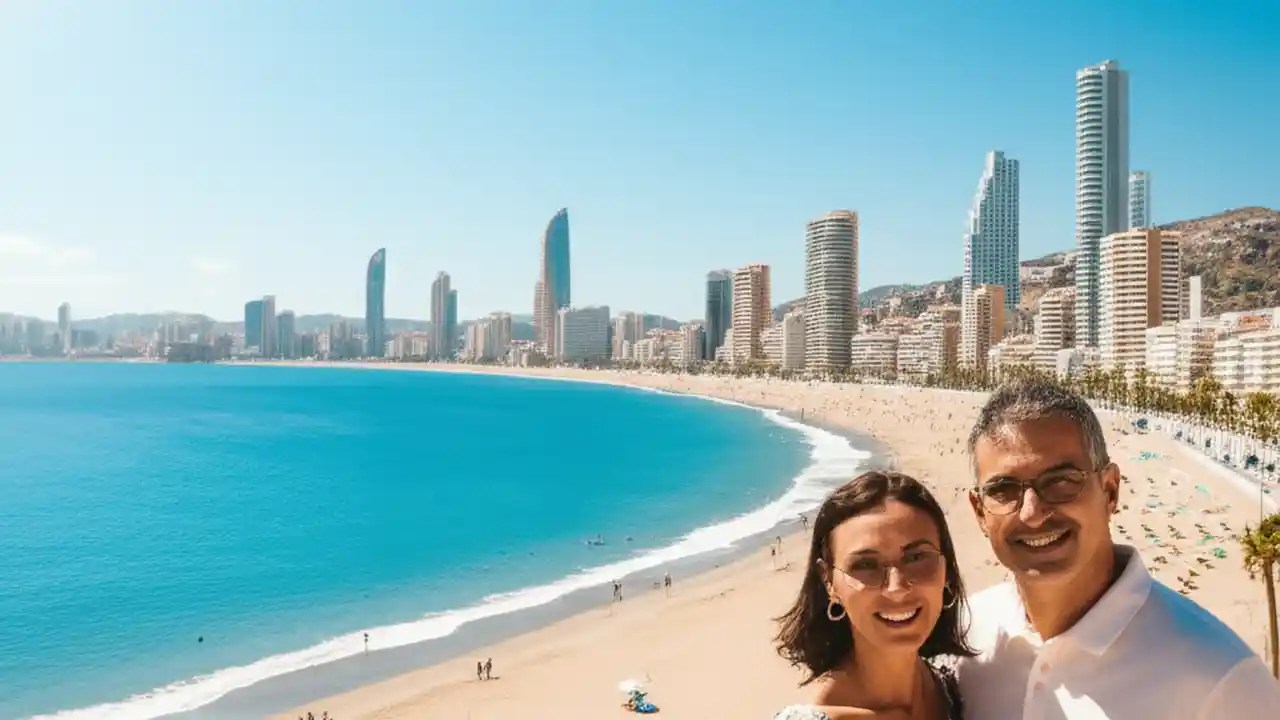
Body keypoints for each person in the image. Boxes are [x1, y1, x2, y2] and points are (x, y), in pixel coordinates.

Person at [958, 379, 1280, 718]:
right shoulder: (964, 640)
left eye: (1061, 481)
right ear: (980, 512)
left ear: (1110, 490)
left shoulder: (1220, 677)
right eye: (1004, 490)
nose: (1032, 513)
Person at [773, 471, 971, 720]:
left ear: (947, 569)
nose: (896, 587)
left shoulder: (958, 689)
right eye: (866, 565)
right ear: (828, 580)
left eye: (917, 557)